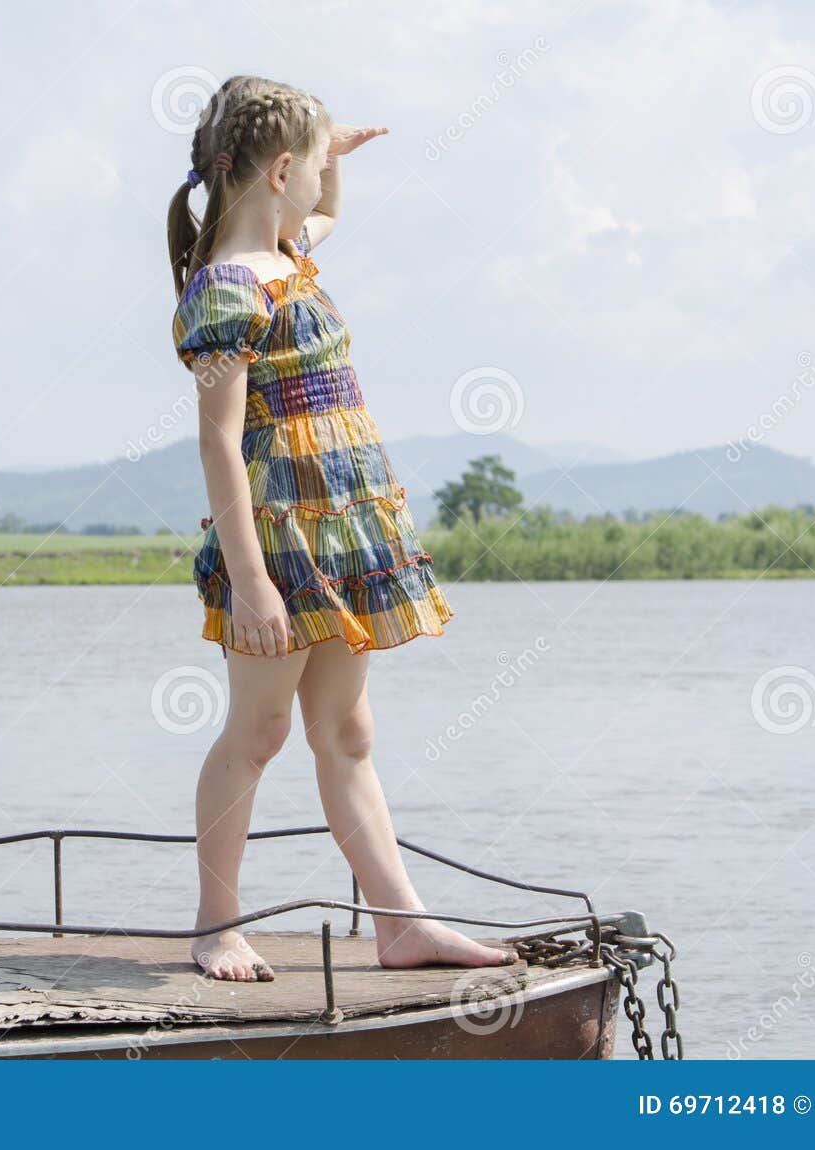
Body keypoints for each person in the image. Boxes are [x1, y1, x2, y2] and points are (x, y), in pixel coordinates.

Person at [166, 75, 515, 982]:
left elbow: (329, 218)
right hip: (278, 541)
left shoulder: (289, 250)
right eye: (315, 167)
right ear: (283, 170)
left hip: (344, 531)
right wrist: (249, 579)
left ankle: (400, 923)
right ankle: (215, 923)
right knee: (259, 728)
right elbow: (216, 445)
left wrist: (338, 158)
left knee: (348, 731)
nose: (325, 185)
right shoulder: (228, 288)